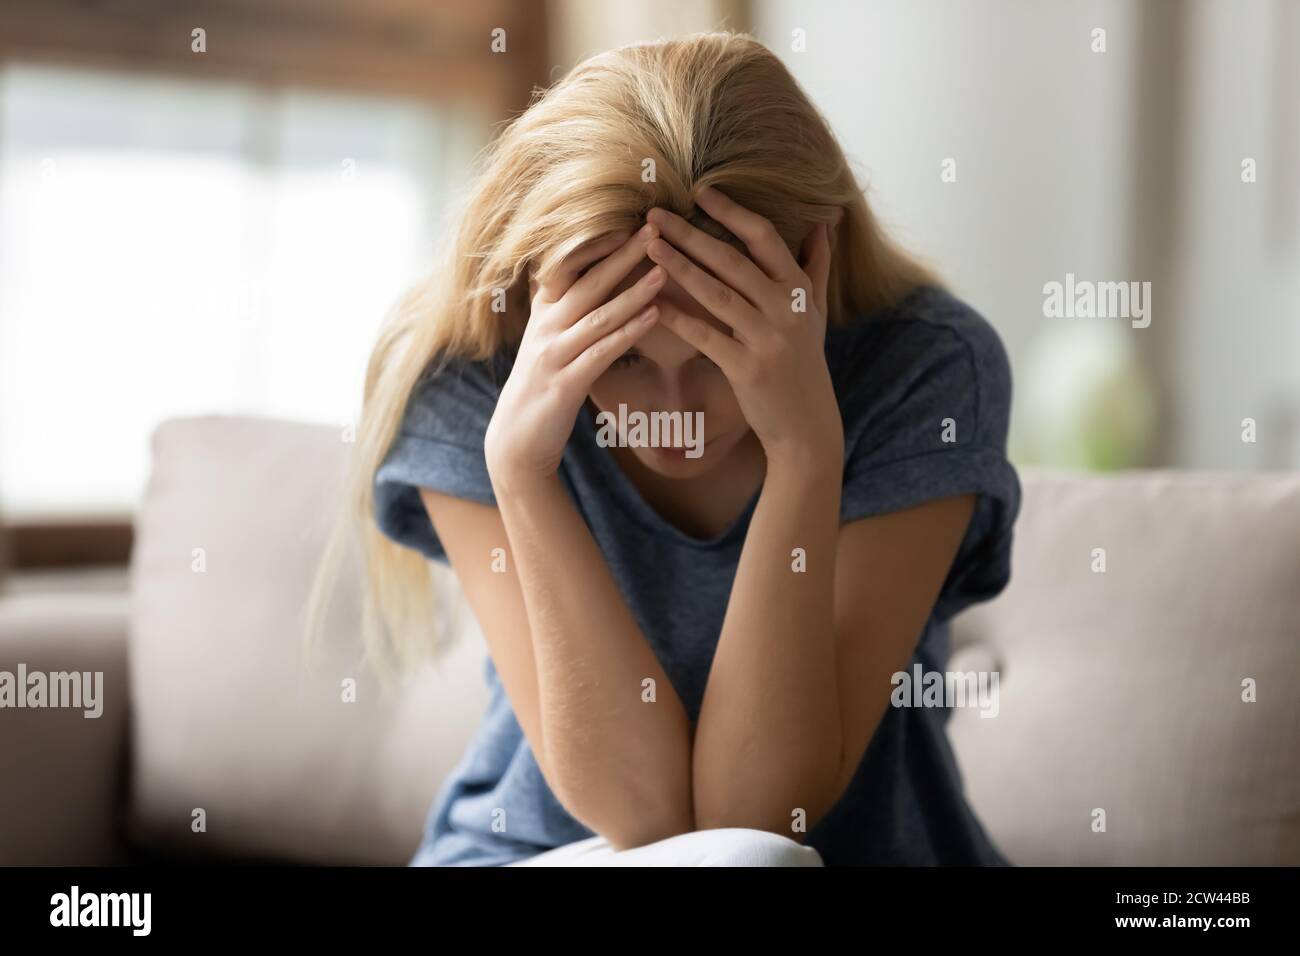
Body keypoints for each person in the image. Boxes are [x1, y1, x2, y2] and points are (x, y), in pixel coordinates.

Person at [308, 31, 1021, 867]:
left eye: (719, 352)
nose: (674, 412)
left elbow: (756, 813)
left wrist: (803, 453)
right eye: (627, 359)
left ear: (811, 276)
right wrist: (522, 472)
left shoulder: (926, 369)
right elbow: (638, 811)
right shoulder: (472, 375)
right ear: (542, 293)